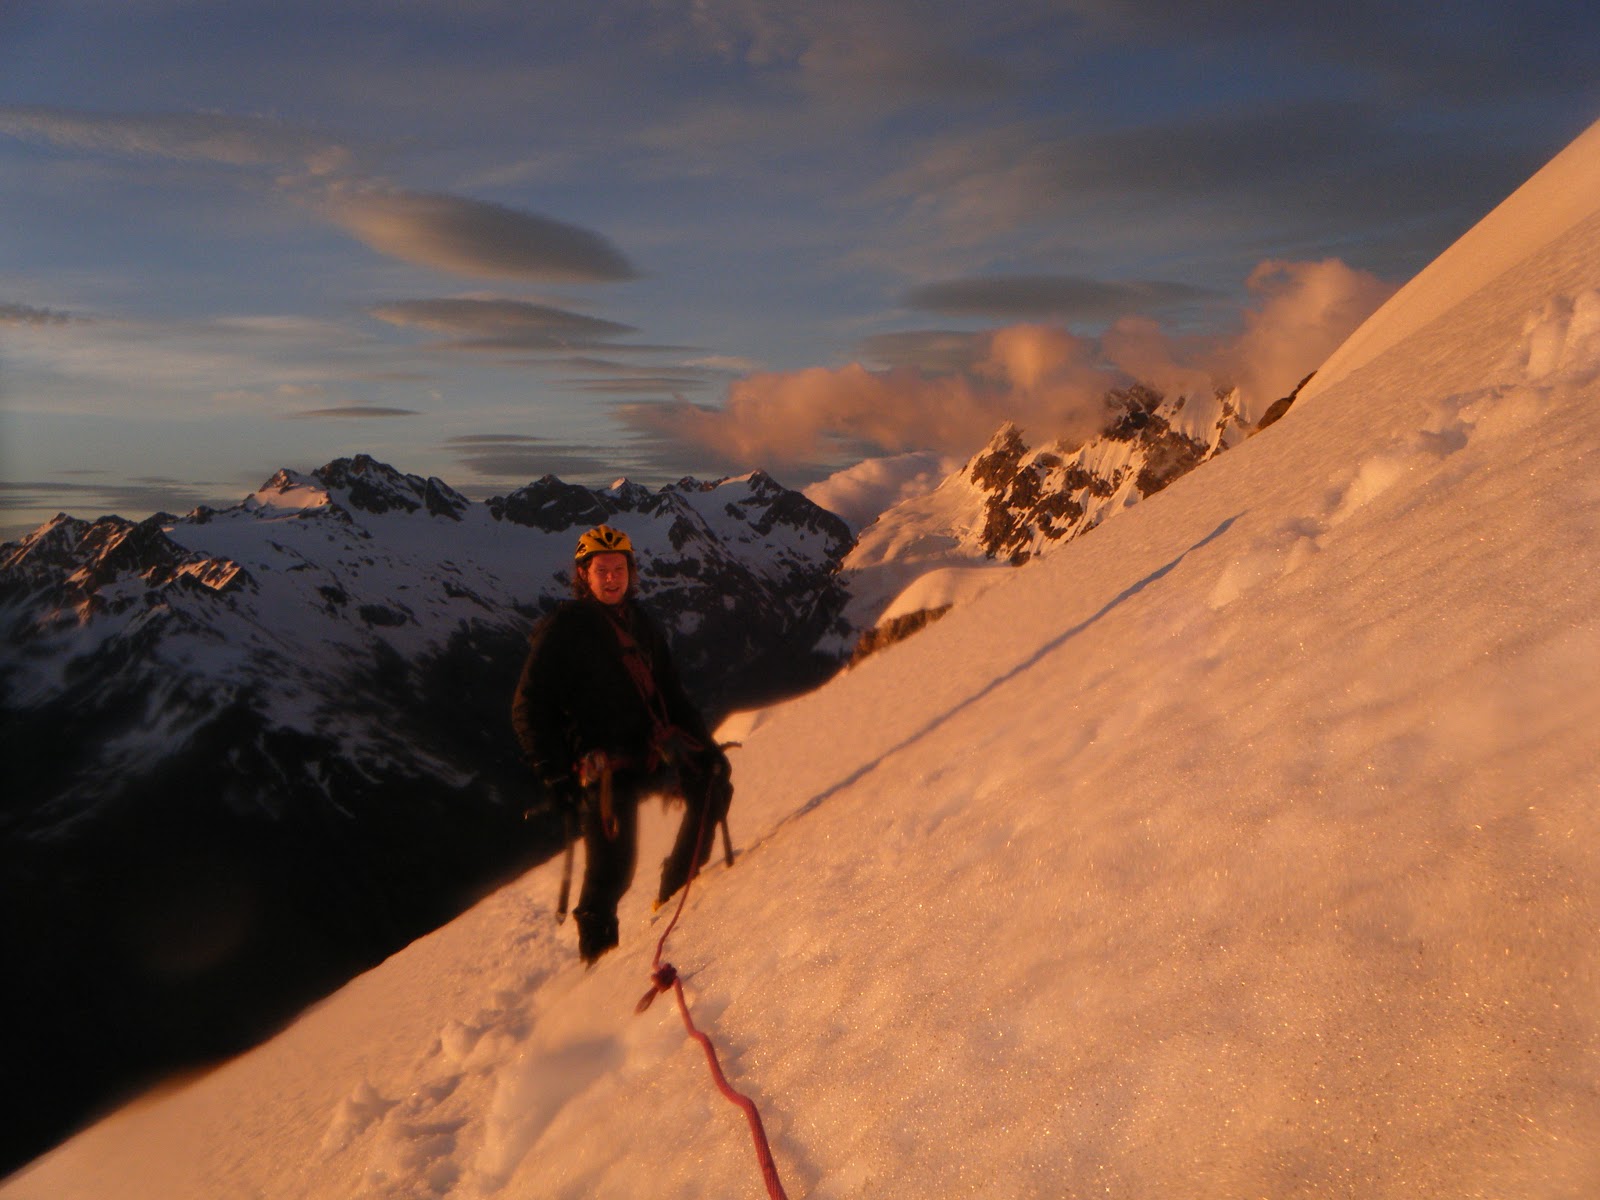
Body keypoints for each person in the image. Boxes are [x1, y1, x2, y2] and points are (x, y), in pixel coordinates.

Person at [512, 524, 733, 964]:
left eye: (619, 569)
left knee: (711, 786)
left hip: (647, 750)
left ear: (630, 572)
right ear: (584, 575)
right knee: (611, 873)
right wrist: (554, 773)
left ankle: (674, 896)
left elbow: (670, 693)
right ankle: (598, 965)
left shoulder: (640, 623)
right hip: (603, 767)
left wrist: (705, 747)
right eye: (602, 570)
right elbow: (528, 706)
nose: (612, 578)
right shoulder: (564, 630)